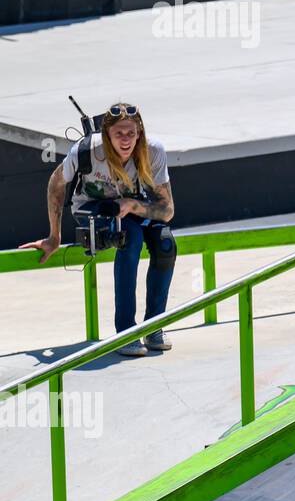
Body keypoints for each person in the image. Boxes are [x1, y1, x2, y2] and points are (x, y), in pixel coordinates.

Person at [21, 104, 178, 358]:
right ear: (107, 135)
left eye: (131, 133)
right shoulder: (88, 152)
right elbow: (56, 184)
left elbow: (167, 209)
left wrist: (132, 205)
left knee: (166, 245)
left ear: (139, 133)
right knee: (130, 237)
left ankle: (154, 326)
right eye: (119, 134)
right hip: (95, 209)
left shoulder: (153, 151)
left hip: (133, 206)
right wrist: (54, 236)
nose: (126, 140)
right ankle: (126, 331)